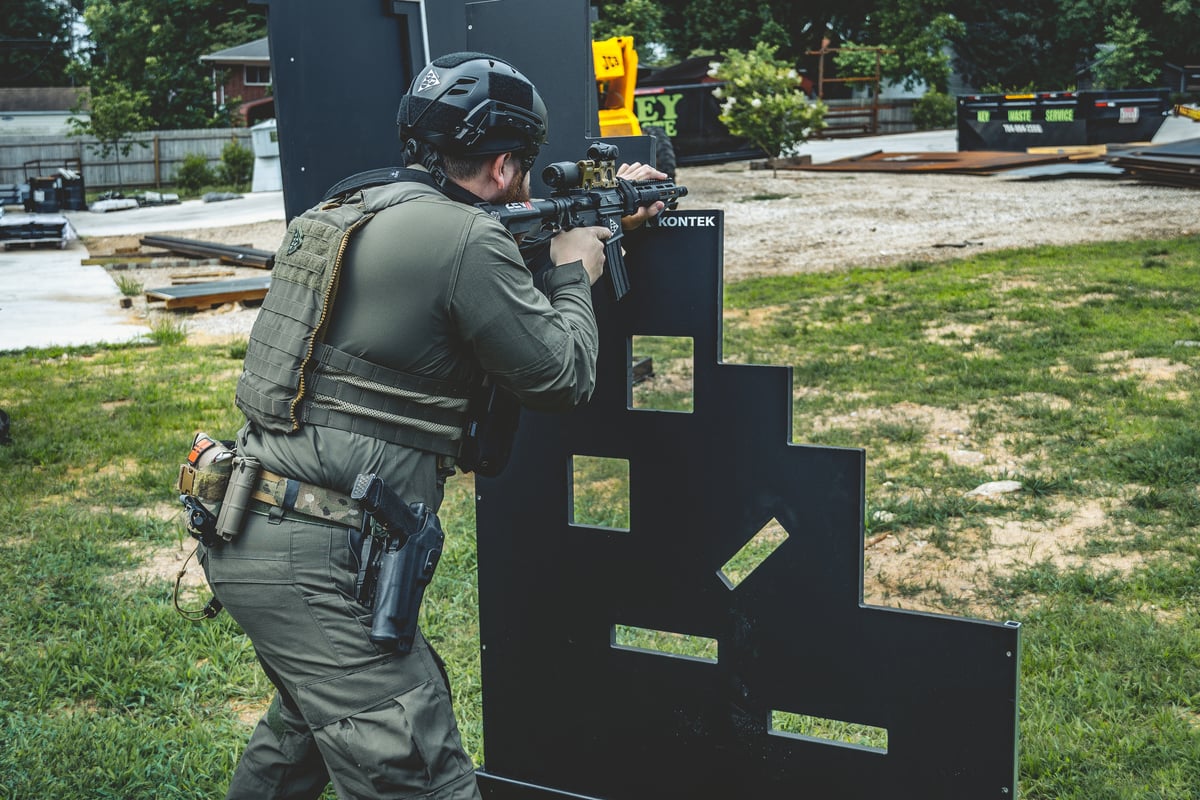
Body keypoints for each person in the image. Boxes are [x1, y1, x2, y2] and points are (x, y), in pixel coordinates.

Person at [199, 52, 665, 799]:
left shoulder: (346, 209)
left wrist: (602, 216)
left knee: (301, 739)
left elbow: (439, 300)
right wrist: (576, 268)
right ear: (508, 163)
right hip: (322, 555)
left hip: (249, 524)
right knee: (419, 772)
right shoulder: (464, 241)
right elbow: (559, 375)